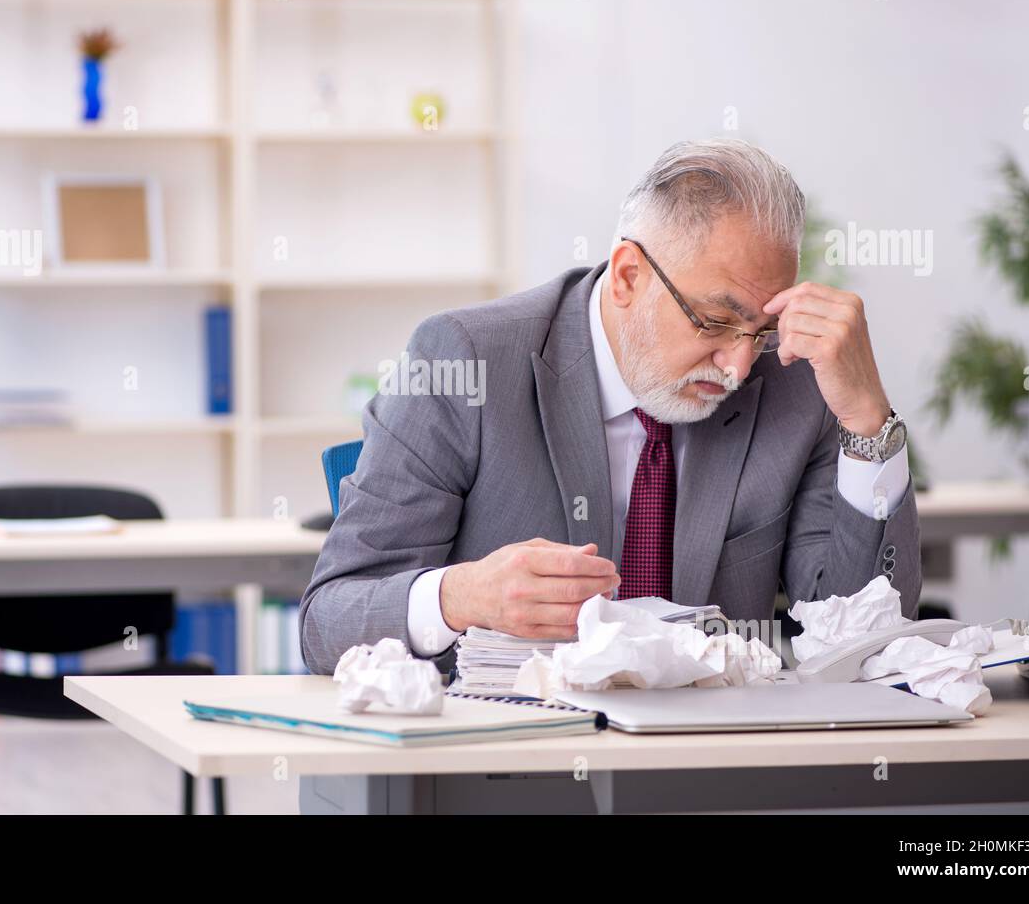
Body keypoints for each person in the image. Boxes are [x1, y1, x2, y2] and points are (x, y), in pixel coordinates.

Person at [301, 138, 917, 675]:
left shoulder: (791, 381)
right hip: (509, 768)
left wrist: (868, 424)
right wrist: (458, 596)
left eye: (759, 330)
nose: (737, 366)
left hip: (705, 775)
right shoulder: (463, 362)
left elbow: (864, 643)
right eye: (714, 321)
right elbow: (326, 621)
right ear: (627, 276)